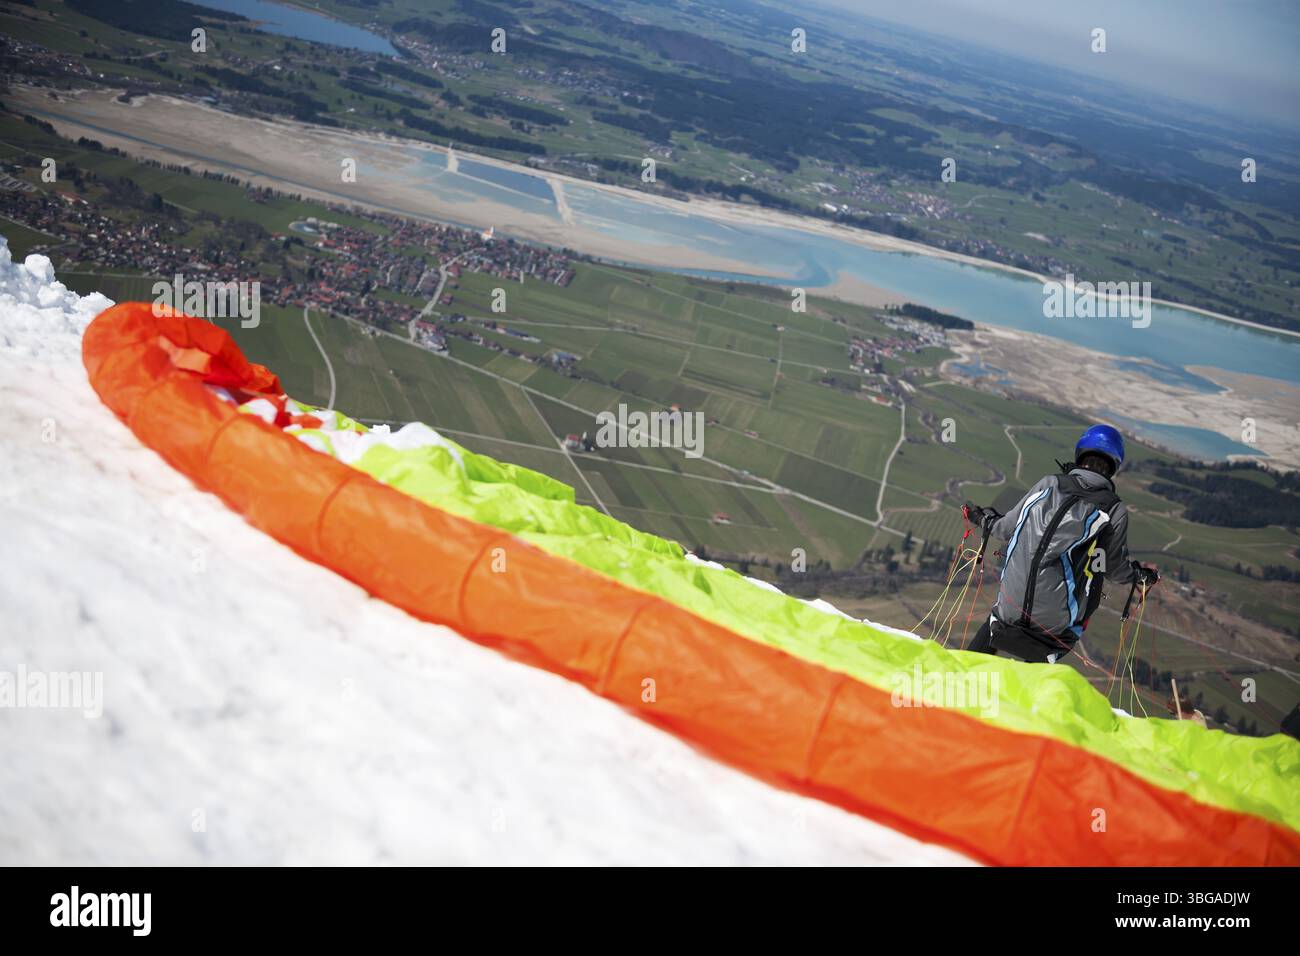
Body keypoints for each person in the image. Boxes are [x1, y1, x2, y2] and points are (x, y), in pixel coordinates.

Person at [963, 424, 1159, 663]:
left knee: (1001, 618)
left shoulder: (1049, 484)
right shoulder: (1113, 508)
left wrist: (983, 518)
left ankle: (962, 674)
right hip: (1053, 626)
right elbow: (1113, 568)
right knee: (1091, 579)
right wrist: (1140, 576)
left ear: (1081, 454)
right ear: (1114, 464)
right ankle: (1034, 681)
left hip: (1009, 607)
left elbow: (1005, 529)